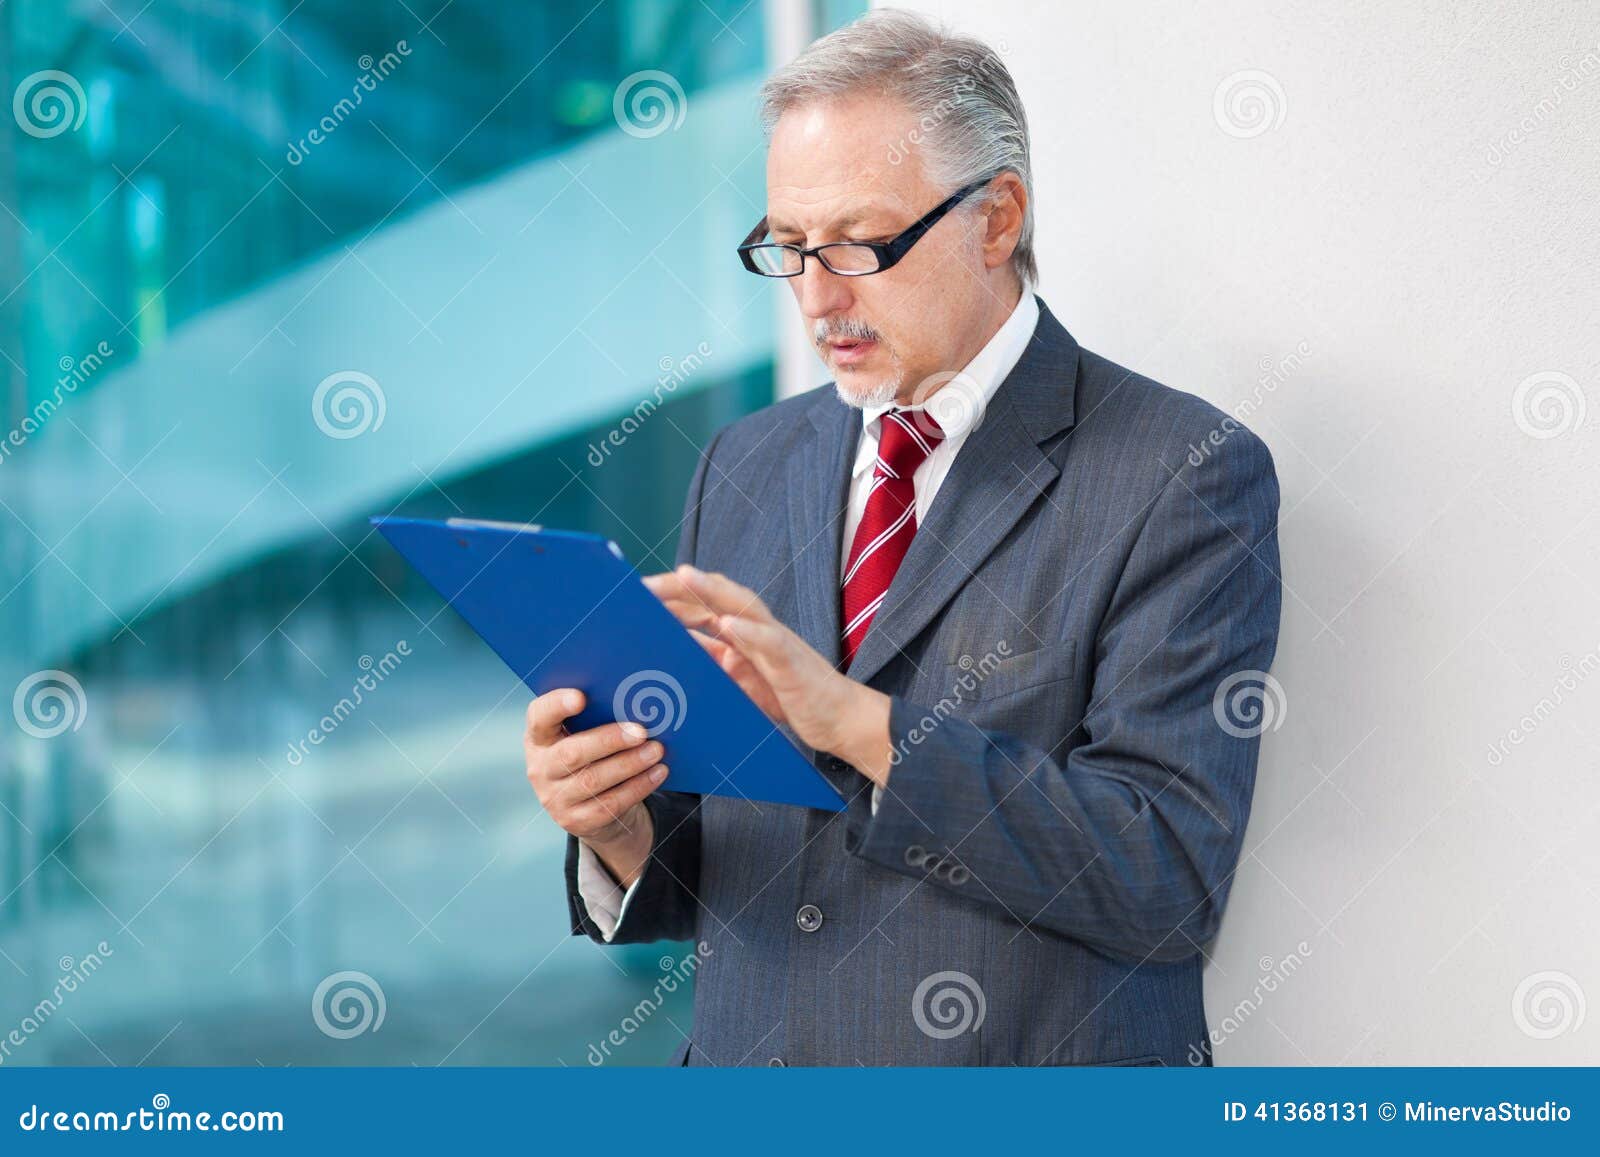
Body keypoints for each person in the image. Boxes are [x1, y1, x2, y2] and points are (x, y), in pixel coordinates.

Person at [523, 8, 1281, 1066]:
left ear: (995, 219)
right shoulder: (744, 460)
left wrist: (856, 720)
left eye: (859, 244)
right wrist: (616, 830)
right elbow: (738, 862)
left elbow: (1164, 876)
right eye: (786, 248)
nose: (817, 296)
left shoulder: (1182, 470)